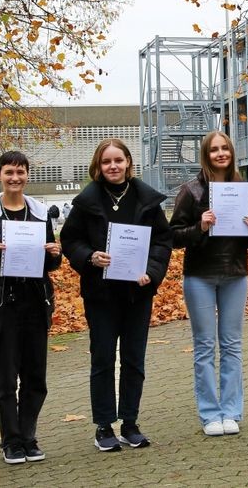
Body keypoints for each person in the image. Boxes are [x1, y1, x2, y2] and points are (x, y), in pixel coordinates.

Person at [61, 139, 173, 452]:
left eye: (118, 160)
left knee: (134, 359)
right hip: (101, 294)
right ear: (98, 166)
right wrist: (89, 257)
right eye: (107, 161)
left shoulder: (146, 199)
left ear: (128, 163)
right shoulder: (87, 201)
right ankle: (103, 425)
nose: (113, 166)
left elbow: (163, 242)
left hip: (138, 292)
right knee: (103, 358)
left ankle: (130, 422)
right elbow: (71, 240)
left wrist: (151, 271)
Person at [0, 151, 63, 465]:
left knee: (36, 378)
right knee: (7, 380)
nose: (15, 178)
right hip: (1, 306)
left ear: (27, 175)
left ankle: (28, 436)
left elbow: (51, 263)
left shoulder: (38, 212)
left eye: (20, 172)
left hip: (35, 303)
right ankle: (10, 441)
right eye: (9, 172)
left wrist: (55, 252)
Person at [169, 132, 248, 436]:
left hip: (236, 274)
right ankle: (210, 413)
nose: (221, 153)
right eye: (214, 150)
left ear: (232, 153)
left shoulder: (242, 190)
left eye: (225, 148)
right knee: (205, 346)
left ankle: (231, 412)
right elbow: (173, 236)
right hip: (199, 275)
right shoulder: (192, 191)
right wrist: (200, 227)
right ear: (206, 154)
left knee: (232, 345)